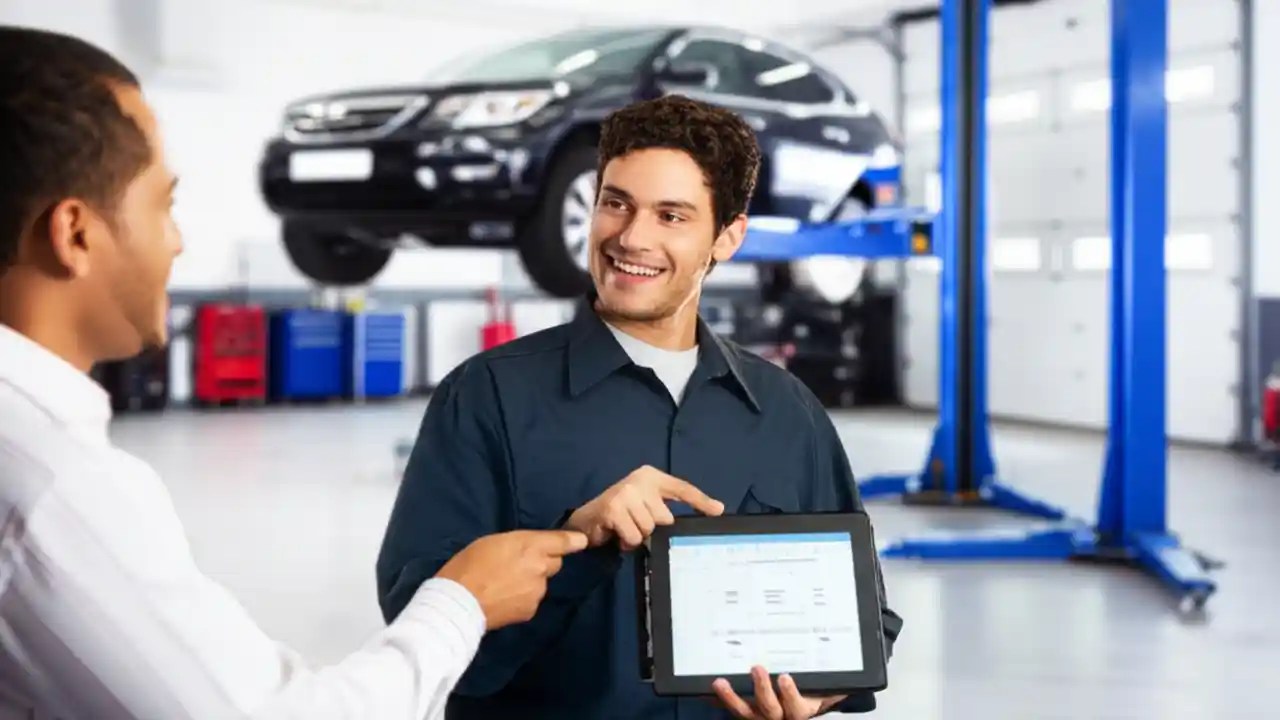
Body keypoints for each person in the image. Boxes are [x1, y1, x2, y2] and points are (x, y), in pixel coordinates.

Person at [0, 26, 589, 720]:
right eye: (164, 204)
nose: (179, 240)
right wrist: (461, 601)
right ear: (76, 234)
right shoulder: (56, 491)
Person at [376, 94, 904, 720]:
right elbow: (424, 634)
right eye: (616, 203)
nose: (631, 237)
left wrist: (818, 692)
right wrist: (576, 539)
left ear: (727, 237)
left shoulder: (787, 412)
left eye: (672, 216)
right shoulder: (485, 398)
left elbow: (863, 612)